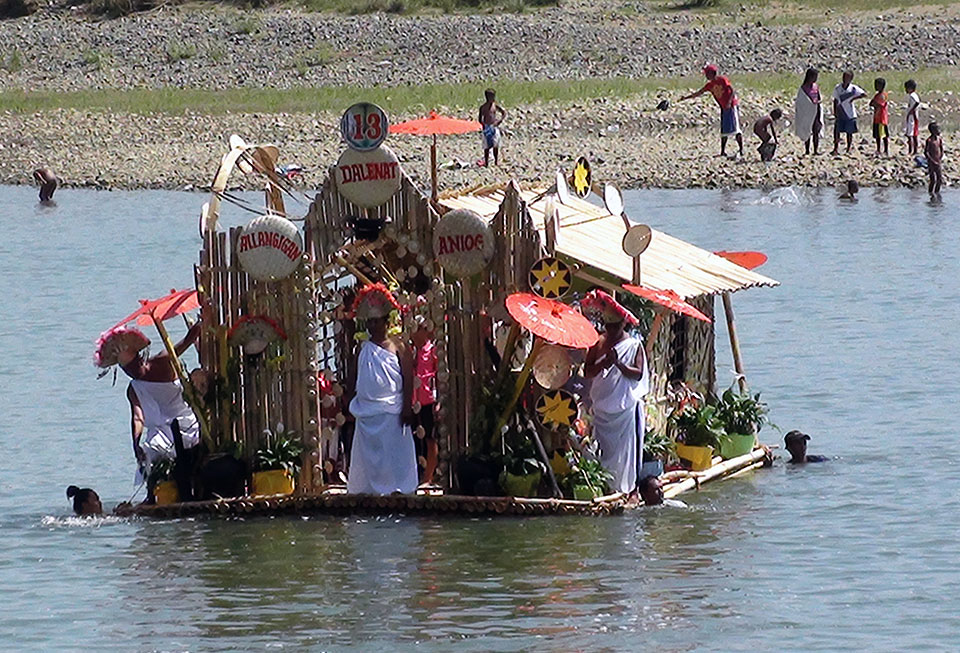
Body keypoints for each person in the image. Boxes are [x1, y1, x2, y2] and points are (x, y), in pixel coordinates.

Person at [118, 320, 203, 503]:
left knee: (183, 445)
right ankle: (155, 494)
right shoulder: (133, 388)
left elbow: (187, 341)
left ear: (140, 359)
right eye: (127, 371)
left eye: (132, 367)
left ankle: (188, 487)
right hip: (160, 429)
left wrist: (198, 325)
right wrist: (135, 443)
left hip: (186, 420)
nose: (132, 373)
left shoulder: (163, 360)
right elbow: (138, 417)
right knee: (151, 448)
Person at [346, 283, 419, 495]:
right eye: (370, 321)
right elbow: (354, 380)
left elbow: (407, 378)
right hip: (366, 412)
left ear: (387, 322)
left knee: (393, 453)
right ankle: (367, 489)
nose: (372, 325)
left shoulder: (399, 347)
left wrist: (406, 407)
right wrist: (350, 404)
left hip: (392, 411)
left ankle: (398, 487)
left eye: (377, 321)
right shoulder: (362, 350)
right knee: (368, 455)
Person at [582, 290, 650, 495]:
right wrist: (605, 362)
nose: (611, 330)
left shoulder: (633, 345)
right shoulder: (598, 343)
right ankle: (604, 487)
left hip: (625, 408)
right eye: (608, 326)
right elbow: (587, 371)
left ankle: (627, 489)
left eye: (615, 326)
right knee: (601, 449)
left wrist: (618, 364)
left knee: (624, 452)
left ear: (623, 324)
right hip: (602, 407)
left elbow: (638, 374)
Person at [679, 64, 744, 159]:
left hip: (731, 106)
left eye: (707, 73)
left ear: (712, 73)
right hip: (723, 107)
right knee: (724, 130)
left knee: (736, 128)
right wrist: (685, 98)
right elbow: (699, 93)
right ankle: (722, 151)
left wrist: (729, 102)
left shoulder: (722, 80)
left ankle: (741, 149)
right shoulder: (710, 85)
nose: (706, 76)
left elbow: (732, 90)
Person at [412, 317, 438, 486]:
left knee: (430, 438)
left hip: (428, 400)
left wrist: (439, 400)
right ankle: (417, 475)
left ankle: (429, 476)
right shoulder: (413, 352)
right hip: (414, 402)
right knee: (415, 439)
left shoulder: (432, 351)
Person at [831, 71, 866, 155]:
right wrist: (835, 111)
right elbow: (835, 100)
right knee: (837, 131)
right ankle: (835, 148)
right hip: (840, 112)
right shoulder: (838, 88)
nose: (844, 79)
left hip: (850, 113)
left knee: (849, 132)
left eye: (847, 77)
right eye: (843, 77)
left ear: (850, 79)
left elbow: (864, 94)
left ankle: (848, 148)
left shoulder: (853, 89)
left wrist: (854, 98)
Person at [795, 68, 824, 155]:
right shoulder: (803, 88)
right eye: (814, 76)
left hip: (816, 111)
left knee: (816, 131)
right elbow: (801, 101)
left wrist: (818, 103)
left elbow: (818, 98)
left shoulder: (816, 87)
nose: (815, 78)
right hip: (807, 113)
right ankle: (807, 150)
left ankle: (815, 150)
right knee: (807, 130)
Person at [478, 88, 506, 167]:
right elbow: (480, 119)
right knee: (486, 146)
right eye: (491, 97)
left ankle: (496, 161)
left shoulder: (494, 106)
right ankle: (486, 162)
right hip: (487, 127)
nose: (493, 99)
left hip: (494, 126)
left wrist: (499, 121)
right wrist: (484, 125)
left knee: (495, 145)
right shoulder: (483, 108)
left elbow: (503, 113)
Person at [869, 77, 890, 156]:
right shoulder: (878, 95)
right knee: (878, 135)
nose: (875, 86)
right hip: (877, 117)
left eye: (877, 85)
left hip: (881, 118)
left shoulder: (882, 96)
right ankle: (879, 149)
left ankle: (885, 150)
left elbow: (876, 104)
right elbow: (872, 103)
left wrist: (875, 104)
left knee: (883, 135)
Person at [925, 122, 944, 198]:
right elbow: (926, 152)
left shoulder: (939, 140)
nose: (939, 131)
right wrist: (932, 161)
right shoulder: (929, 140)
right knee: (933, 180)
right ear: (932, 131)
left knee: (940, 179)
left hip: (938, 161)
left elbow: (941, 149)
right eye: (937, 129)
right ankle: (930, 194)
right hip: (931, 162)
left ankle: (937, 193)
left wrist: (940, 157)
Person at [904, 79, 921, 156]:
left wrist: (912, 110)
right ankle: (914, 150)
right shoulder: (914, 95)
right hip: (913, 116)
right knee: (913, 134)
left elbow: (917, 102)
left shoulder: (912, 95)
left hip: (912, 117)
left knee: (911, 134)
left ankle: (912, 150)